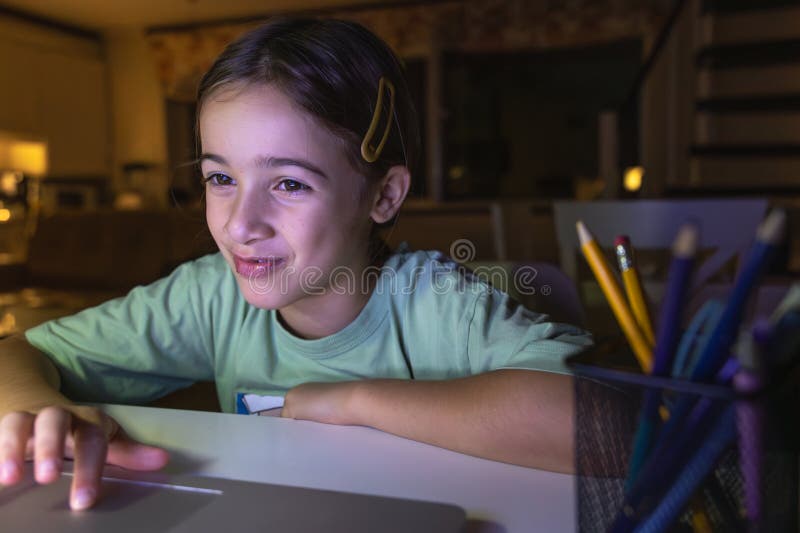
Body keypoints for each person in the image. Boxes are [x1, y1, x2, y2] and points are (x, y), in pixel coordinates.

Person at [0, 17, 592, 511]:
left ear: (383, 196)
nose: (238, 224)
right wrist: (30, 407)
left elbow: (606, 427)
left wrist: (353, 402)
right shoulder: (209, 296)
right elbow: (14, 353)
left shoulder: (438, 303)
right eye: (221, 178)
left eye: (288, 182)